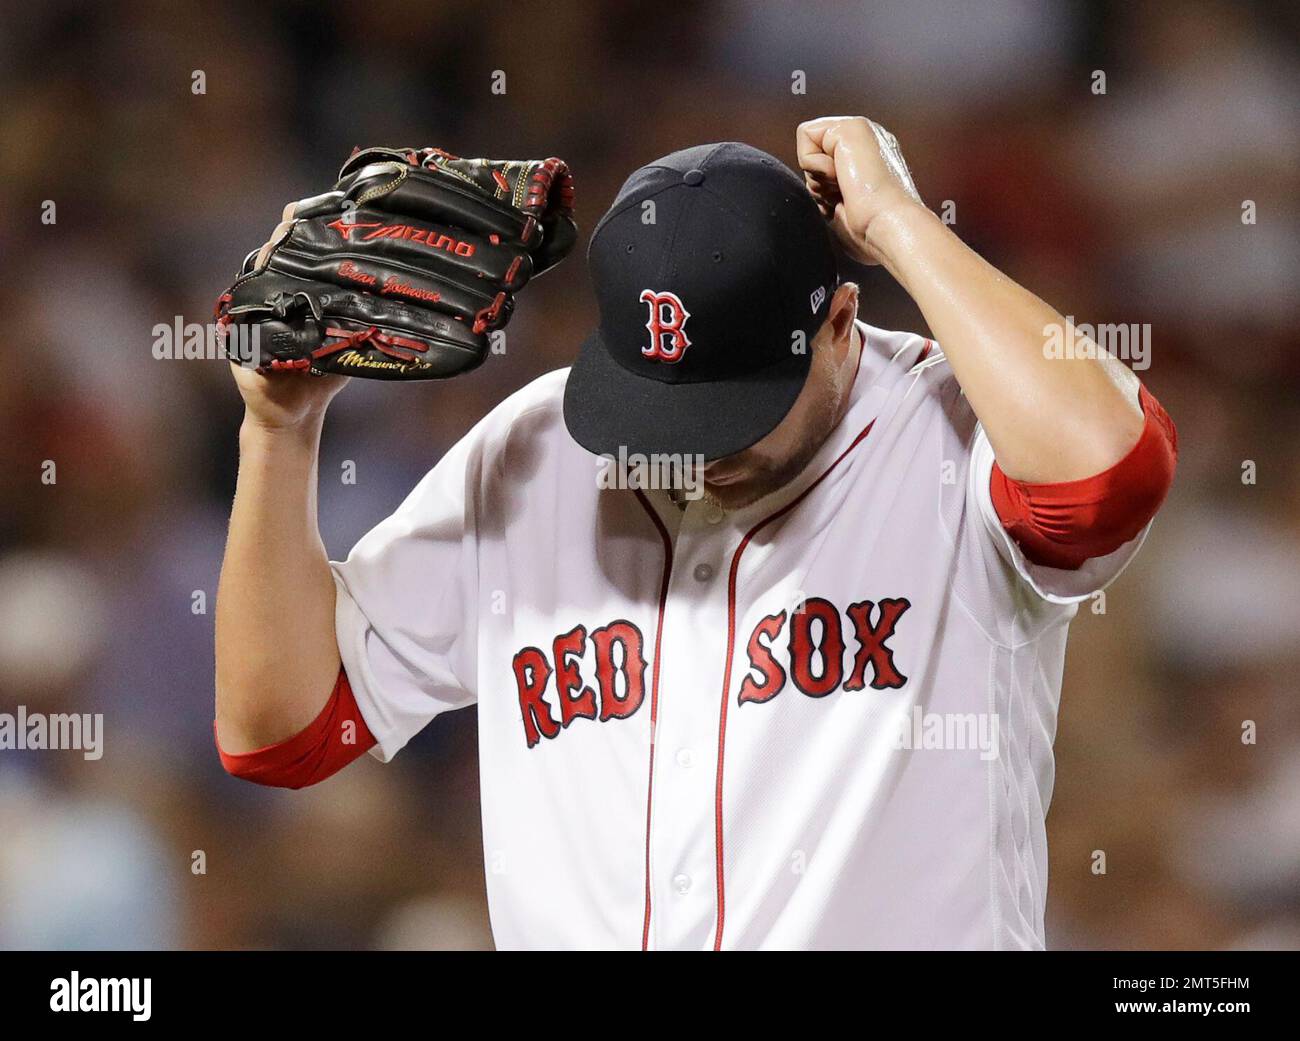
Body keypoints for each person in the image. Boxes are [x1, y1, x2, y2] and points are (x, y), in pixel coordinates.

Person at [214, 117, 1177, 950]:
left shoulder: (949, 427)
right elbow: (285, 732)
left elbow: (1110, 475)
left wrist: (900, 225)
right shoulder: (535, 447)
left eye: (737, 409)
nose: (698, 448)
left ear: (840, 323)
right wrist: (280, 431)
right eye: (661, 407)